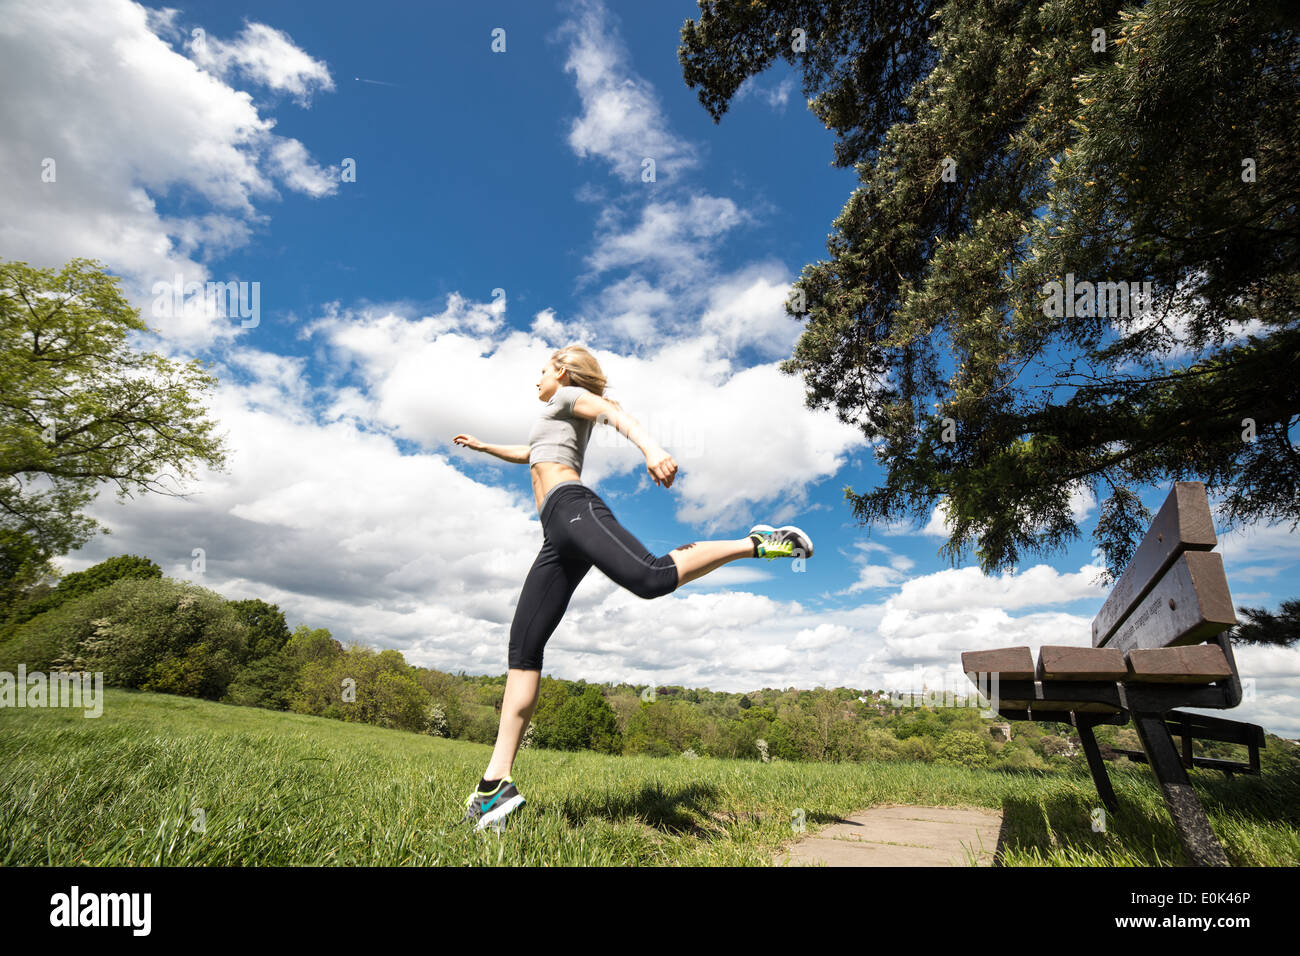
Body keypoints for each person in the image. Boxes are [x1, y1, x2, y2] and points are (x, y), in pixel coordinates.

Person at [451, 344, 813, 831]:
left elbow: (609, 411)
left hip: (574, 509)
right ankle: (496, 784)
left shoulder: (568, 396)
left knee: (651, 578)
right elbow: (529, 454)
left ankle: (757, 542)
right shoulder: (548, 421)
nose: (534, 381)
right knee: (523, 647)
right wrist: (481, 446)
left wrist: (652, 448)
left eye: (540, 371)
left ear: (562, 371)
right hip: (555, 533)